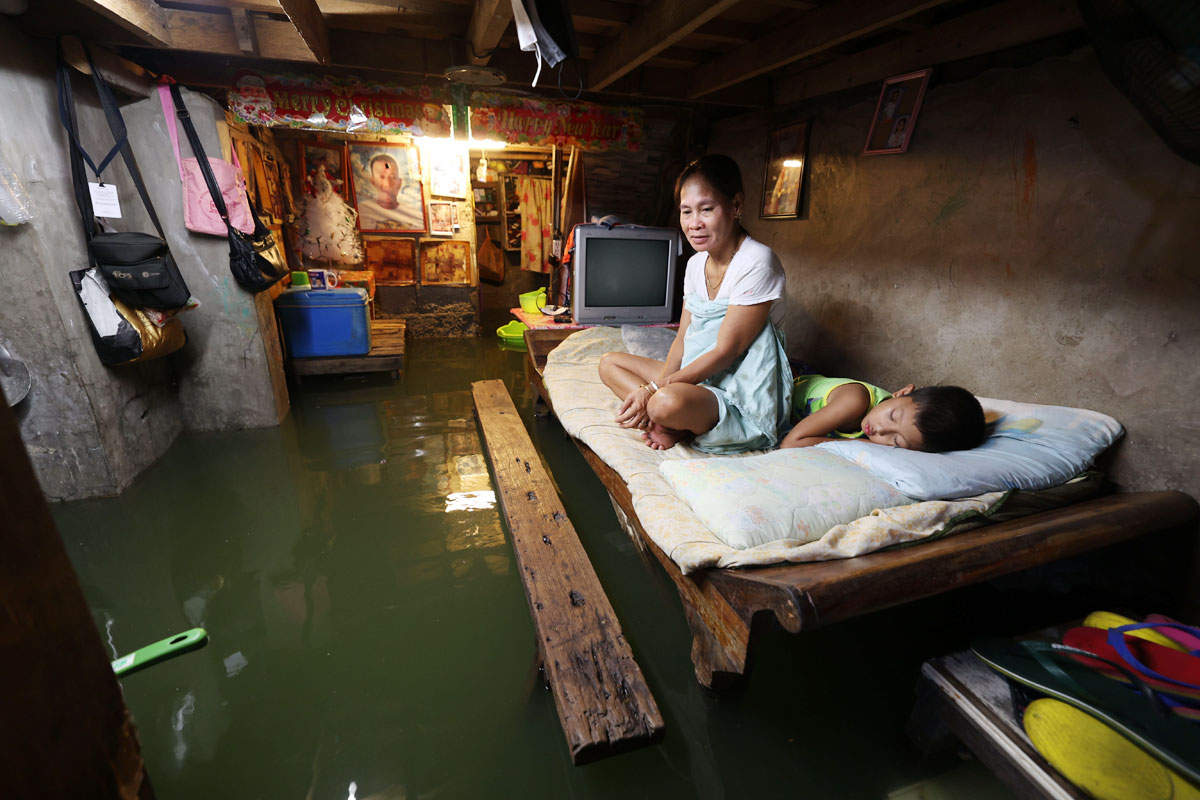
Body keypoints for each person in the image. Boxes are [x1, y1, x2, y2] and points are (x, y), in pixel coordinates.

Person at [598, 155, 793, 453]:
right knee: (608, 363)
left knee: (664, 402)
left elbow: (725, 352)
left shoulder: (756, 261)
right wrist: (660, 385)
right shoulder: (695, 264)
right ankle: (665, 421)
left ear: (736, 205)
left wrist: (654, 390)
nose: (694, 224)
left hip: (733, 389)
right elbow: (682, 339)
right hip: (693, 377)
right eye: (686, 212)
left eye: (706, 209)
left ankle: (668, 417)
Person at [780, 374, 986, 452]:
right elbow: (790, 444)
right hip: (781, 385)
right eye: (892, 416)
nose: (880, 430)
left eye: (896, 441)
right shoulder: (855, 401)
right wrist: (866, 444)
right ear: (903, 392)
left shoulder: (898, 432)